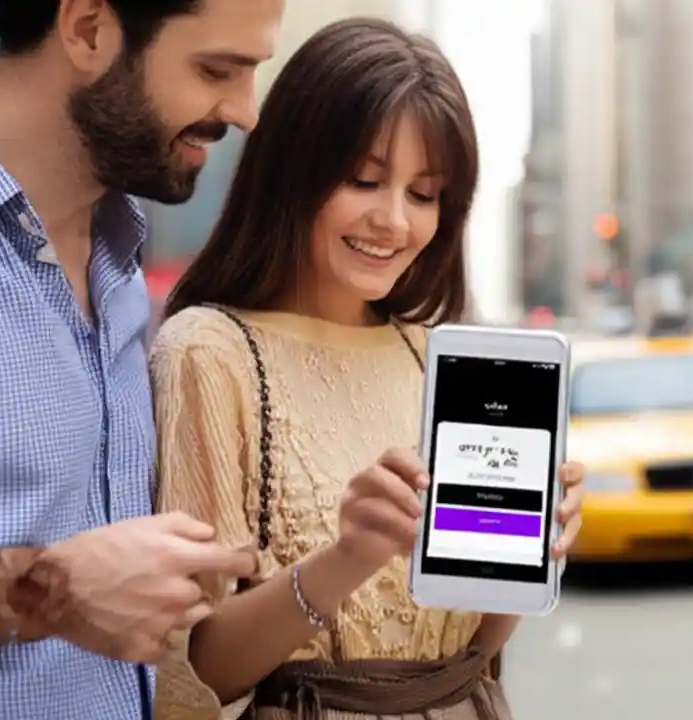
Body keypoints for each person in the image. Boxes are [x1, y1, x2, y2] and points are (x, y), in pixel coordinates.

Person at [0, 1, 285, 717]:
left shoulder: (121, 272)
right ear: (87, 29)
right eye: (216, 69)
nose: (245, 111)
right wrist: (45, 595)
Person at [150, 17, 586, 720]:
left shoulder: (434, 355)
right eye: (364, 180)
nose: (393, 220)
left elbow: (475, 651)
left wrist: (529, 556)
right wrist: (349, 557)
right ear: (294, 169)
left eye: (423, 194)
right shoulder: (210, 353)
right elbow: (194, 674)